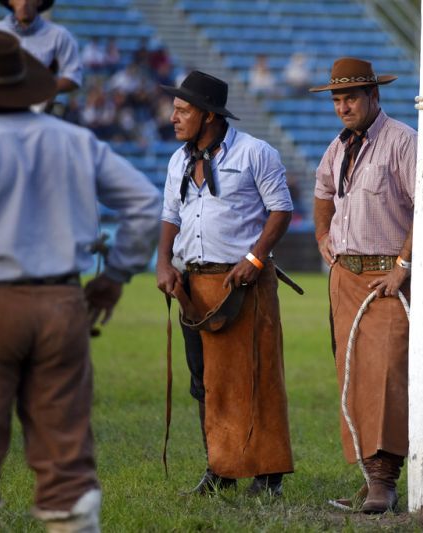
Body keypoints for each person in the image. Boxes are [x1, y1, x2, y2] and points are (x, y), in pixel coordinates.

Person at [0, 29, 161, 532]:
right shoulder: (75, 141)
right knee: (65, 452)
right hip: (62, 302)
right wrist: (115, 276)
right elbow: (145, 203)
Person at [155, 71, 294, 497]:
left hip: (243, 283)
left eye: (184, 110)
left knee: (257, 375)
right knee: (204, 382)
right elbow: (170, 216)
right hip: (194, 286)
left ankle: (267, 474)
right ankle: (221, 467)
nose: (174, 117)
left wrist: (254, 258)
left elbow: (281, 211)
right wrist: (164, 263)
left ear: (210, 115)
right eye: (175, 109)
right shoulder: (178, 160)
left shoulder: (256, 153)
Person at [310, 57, 417, 513]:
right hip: (346, 277)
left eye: (350, 97)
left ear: (375, 96)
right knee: (352, 377)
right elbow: (321, 194)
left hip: (387, 278)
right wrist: (322, 238)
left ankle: (384, 480)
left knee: (388, 372)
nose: (343, 107)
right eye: (337, 99)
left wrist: (403, 266)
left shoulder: (402, 141)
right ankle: (369, 475)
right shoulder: (337, 148)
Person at [0, 0, 82, 95]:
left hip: (38, 107)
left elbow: (73, 76)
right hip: (0, 104)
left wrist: (45, 89)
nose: (24, 3)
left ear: (39, 1)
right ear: (10, 1)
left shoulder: (59, 35)